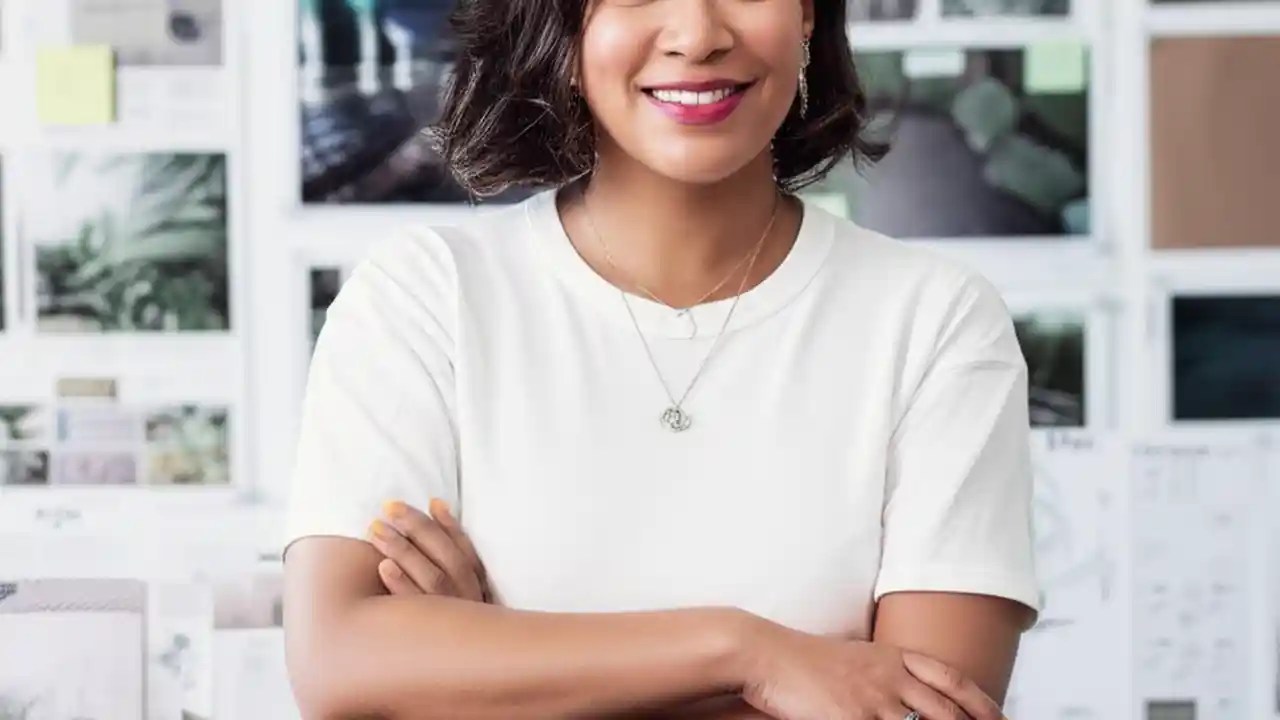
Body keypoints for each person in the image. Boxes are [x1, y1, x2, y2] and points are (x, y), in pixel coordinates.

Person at [281, 0, 1041, 717]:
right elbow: (339, 666)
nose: (697, 32)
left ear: (806, 10)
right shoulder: (427, 295)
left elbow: (924, 708)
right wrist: (749, 654)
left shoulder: (935, 321)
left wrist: (488, 679)